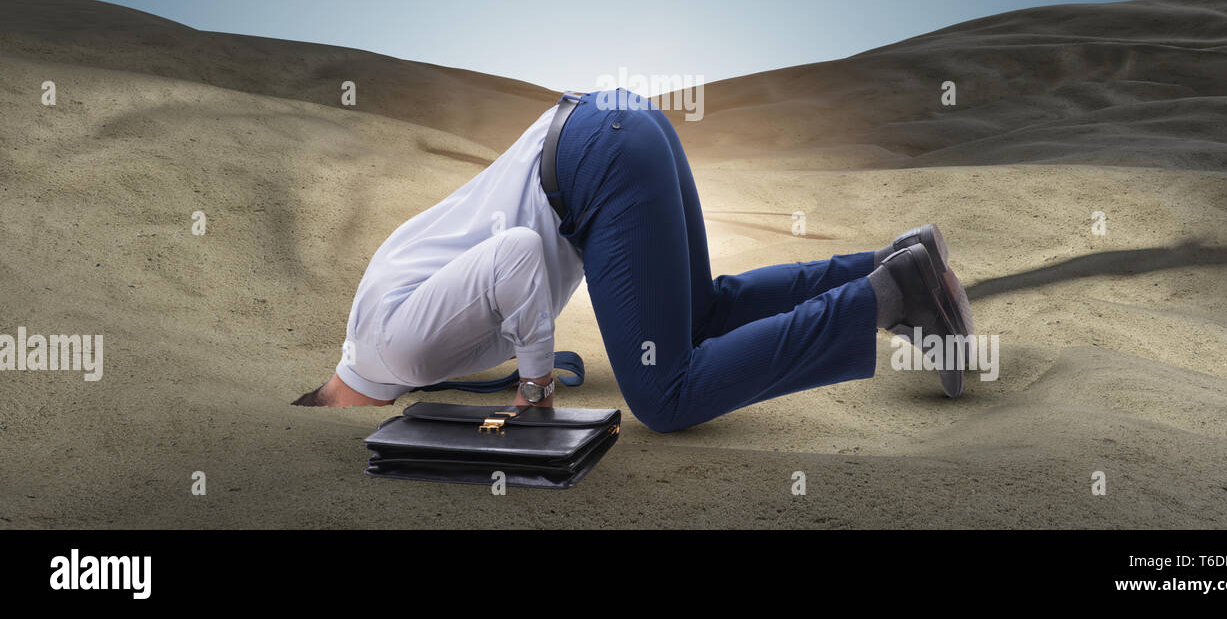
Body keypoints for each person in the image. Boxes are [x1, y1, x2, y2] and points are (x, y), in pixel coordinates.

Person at [294, 89, 975, 431]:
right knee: (699, 316)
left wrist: (536, 389)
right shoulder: (373, 323)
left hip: (597, 164)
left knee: (663, 394)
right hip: (610, 126)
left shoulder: (397, 355)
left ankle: (891, 297)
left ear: (333, 406)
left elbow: (518, 256)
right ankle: (898, 263)